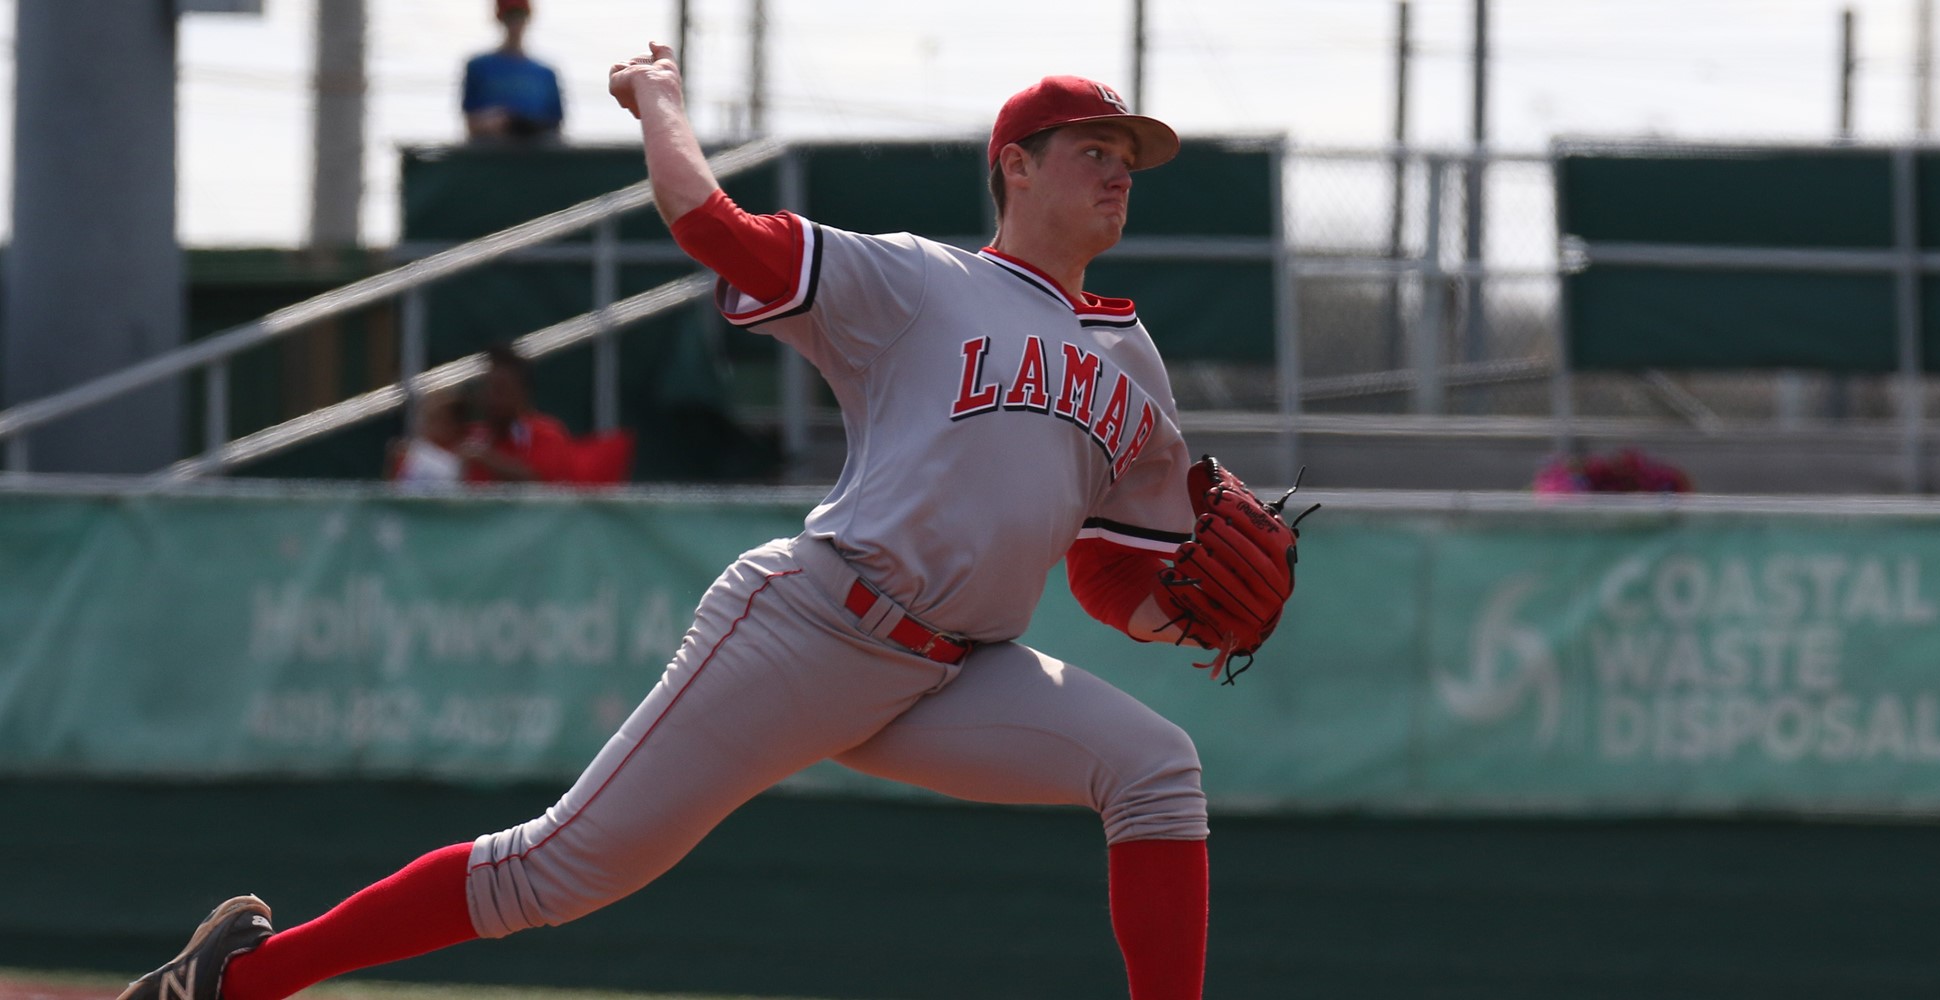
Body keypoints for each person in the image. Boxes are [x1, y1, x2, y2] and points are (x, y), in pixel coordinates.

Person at [118, 48, 1224, 1000]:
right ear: (1015, 166)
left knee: (1156, 771)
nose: (1116, 175)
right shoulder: (917, 282)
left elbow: (1119, 576)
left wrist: (1192, 612)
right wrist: (658, 102)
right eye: (1093, 150)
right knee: (549, 873)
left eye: (1128, 161)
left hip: (957, 672)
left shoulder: (1131, 362)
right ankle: (239, 983)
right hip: (815, 627)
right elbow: (713, 226)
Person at [458, 344, 575, 483]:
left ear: (522, 394)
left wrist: (484, 458)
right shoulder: (472, 435)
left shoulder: (546, 434)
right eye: (486, 387)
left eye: (500, 390)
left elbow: (540, 482)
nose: (491, 397)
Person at [461, 0, 563, 141]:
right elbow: (470, 121)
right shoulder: (478, 67)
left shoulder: (546, 74)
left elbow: (556, 125)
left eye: (520, 16)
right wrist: (495, 122)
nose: (515, 23)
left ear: (528, 18)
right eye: (510, 16)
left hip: (535, 149)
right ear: (500, 18)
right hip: (492, 148)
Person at [386, 389, 469, 485]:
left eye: (439, 418)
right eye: (428, 418)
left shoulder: (465, 454)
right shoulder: (409, 453)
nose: (433, 425)